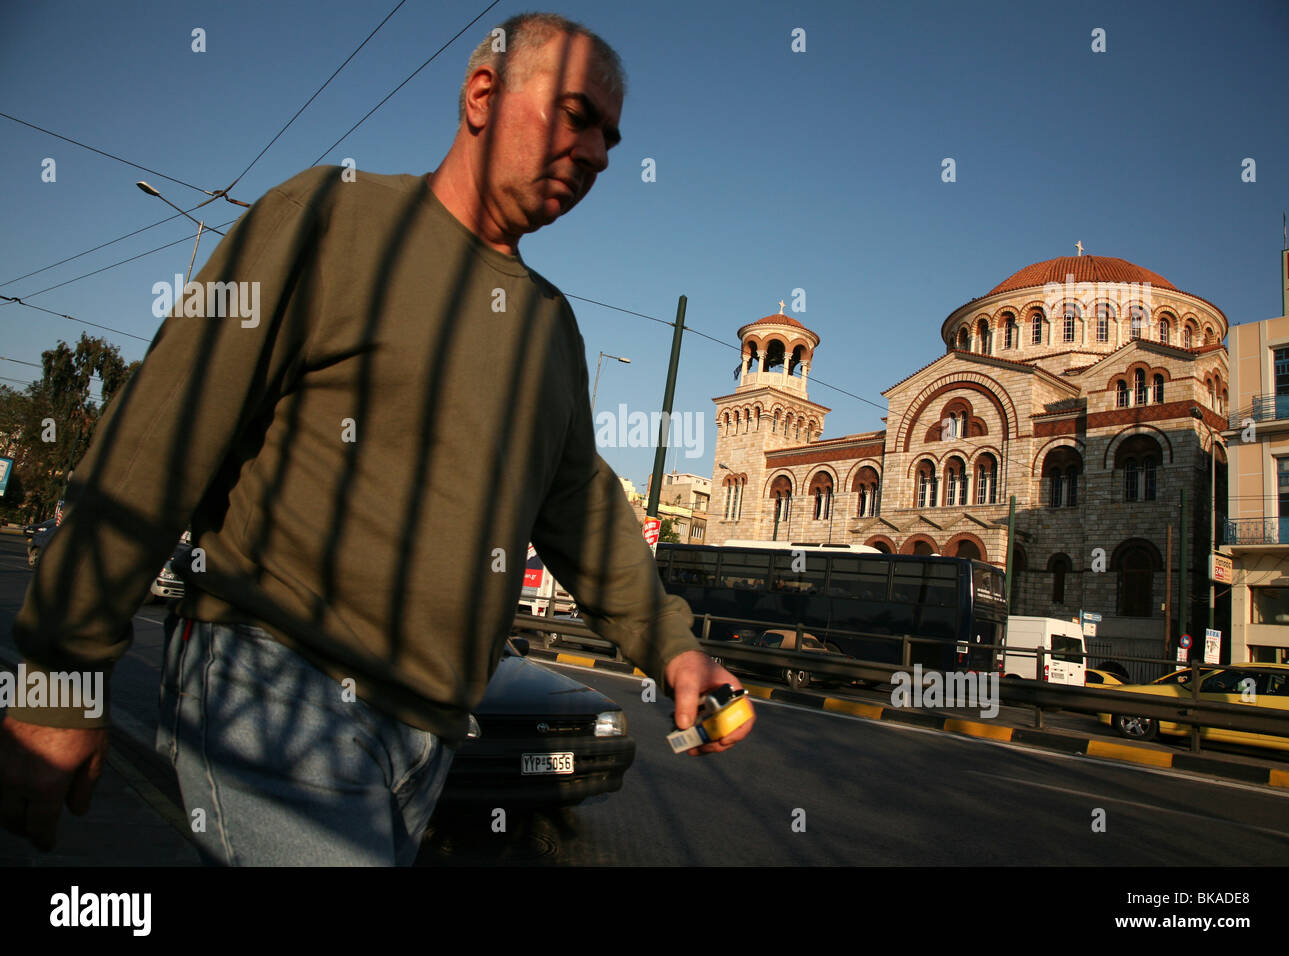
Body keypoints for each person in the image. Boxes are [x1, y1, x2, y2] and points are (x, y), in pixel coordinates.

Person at [0, 12, 753, 865]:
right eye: (578, 116)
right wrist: (59, 678)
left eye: (612, 139)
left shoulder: (551, 328)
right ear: (483, 95)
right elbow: (161, 432)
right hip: (274, 681)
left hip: (430, 736)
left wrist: (675, 650)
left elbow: (582, 514)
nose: (599, 154)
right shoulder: (330, 216)